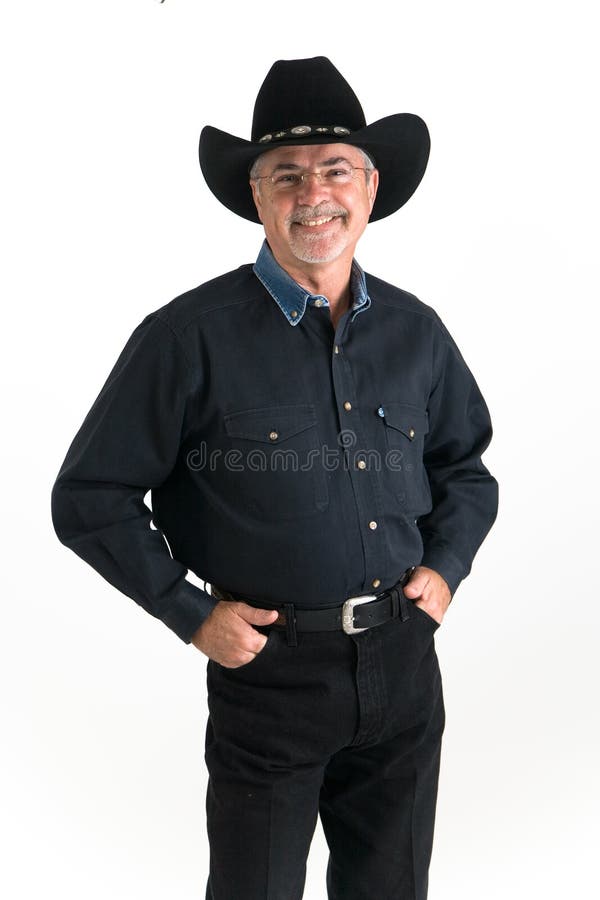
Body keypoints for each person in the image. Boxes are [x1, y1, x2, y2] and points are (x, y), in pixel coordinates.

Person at [51, 57, 498, 900]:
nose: (313, 193)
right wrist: (191, 615)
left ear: (371, 189)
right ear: (255, 199)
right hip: (271, 671)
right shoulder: (186, 337)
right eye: (285, 175)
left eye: (335, 169)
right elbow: (88, 498)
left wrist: (444, 572)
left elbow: (465, 468)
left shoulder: (417, 331)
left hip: (404, 664)